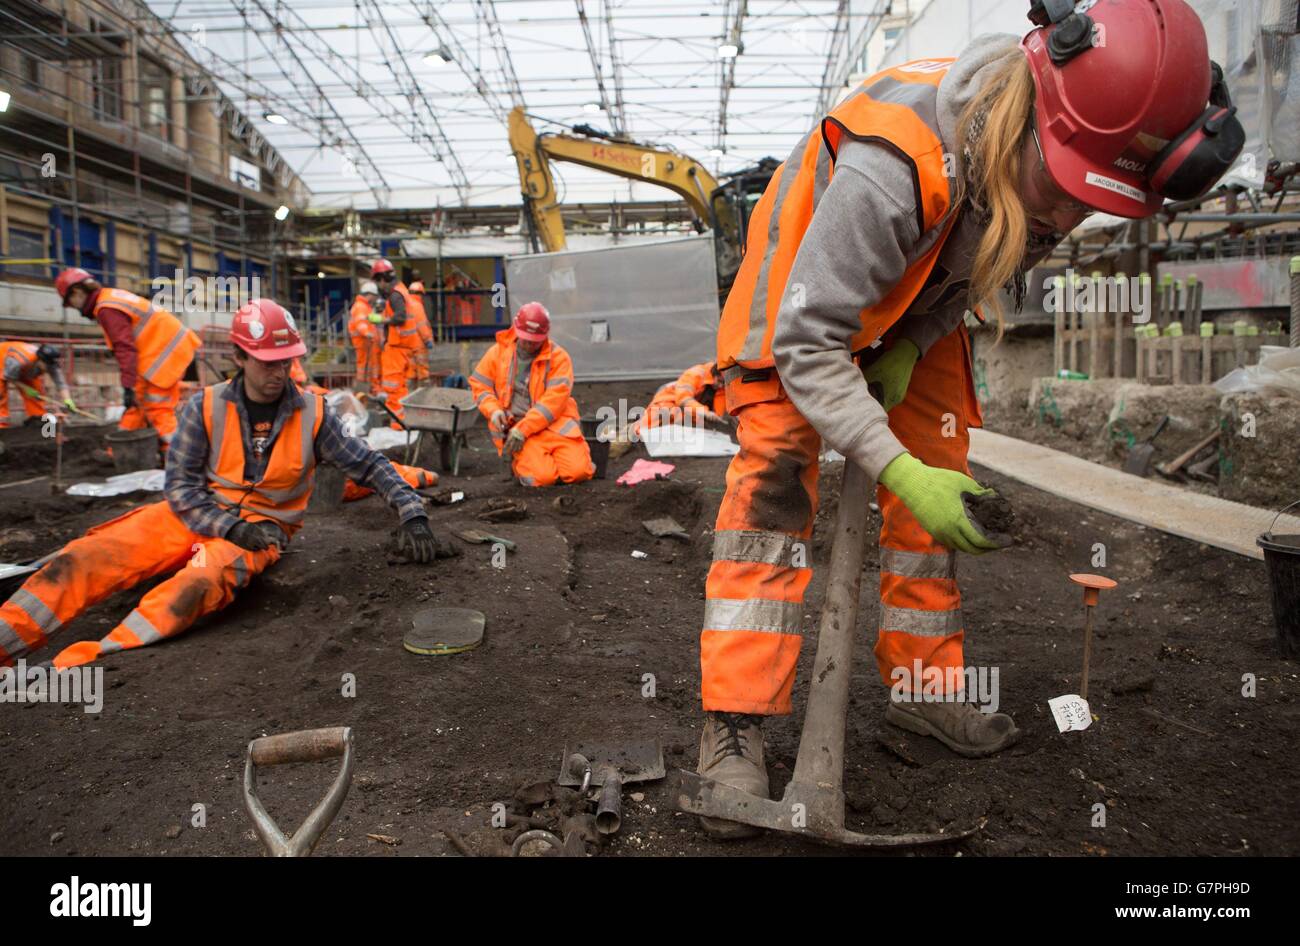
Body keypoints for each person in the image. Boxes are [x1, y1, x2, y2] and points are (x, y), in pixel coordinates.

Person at [694, 0, 1243, 838]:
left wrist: (911, 343)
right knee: (772, 498)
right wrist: (891, 463)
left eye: (1089, 204)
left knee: (934, 482)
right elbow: (812, 343)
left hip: (914, 304)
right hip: (804, 304)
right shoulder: (898, 156)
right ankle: (734, 723)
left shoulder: (1057, 170)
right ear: (1029, 122)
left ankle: (922, 690)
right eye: (1060, 192)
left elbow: (965, 275)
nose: (1066, 218)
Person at [0, 299, 441, 670]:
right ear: (239, 356)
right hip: (194, 514)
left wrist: (413, 515)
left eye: (287, 361)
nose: (280, 372)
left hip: (262, 528)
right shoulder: (203, 408)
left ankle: (80, 660)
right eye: (268, 362)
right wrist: (226, 526)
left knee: (197, 582)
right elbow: (181, 489)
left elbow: (371, 465)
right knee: (84, 556)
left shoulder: (315, 413)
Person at [54, 268, 202, 451]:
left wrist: (127, 385)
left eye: (71, 303)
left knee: (158, 408)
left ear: (76, 292)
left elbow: (124, 347)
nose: (75, 309)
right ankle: (118, 451)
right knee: (137, 405)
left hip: (163, 357)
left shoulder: (106, 308)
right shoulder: (110, 298)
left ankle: (182, 456)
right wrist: (131, 388)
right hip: (163, 354)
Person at [468, 302, 595, 487]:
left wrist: (523, 429)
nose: (529, 343)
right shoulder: (498, 353)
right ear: (516, 329)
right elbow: (479, 384)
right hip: (522, 430)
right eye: (526, 338)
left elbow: (553, 402)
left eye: (535, 340)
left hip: (555, 426)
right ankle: (521, 463)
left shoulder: (559, 358)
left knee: (579, 473)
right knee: (542, 479)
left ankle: (545, 462)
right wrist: (493, 410)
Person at [372, 258, 424, 425]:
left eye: (378, 282)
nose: (379, 287)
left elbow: (400, 317)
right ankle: (404, 420)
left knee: (393, 387)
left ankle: (398, 423)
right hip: (404, 346)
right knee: (401, 387)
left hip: (396, 347)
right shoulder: (400, 290)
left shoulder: (395, 295)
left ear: (381, 279)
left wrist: (381, 319)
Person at [637, 361, 727, 435]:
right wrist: (705, 412)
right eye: (719, 381)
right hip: (669, 398)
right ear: (714, 373)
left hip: (693, 408)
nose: (721, 385)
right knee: (661, 415)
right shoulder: (695, 374)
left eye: (724, 384)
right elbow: (683, 399)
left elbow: (718, 412)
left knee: (689, 425)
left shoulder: (725, 384)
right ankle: (632, 431)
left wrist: (715, 419)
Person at [0, 341, 73, 427]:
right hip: (3, 360)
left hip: (25, 369)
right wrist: (25, 388)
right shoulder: (18, 361)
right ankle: (2, 426)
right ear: (40, 360)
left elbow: (60, 383)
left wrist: (67, 399)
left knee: (36, 394)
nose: (49, 369)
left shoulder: (50, 362)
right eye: (47, 366)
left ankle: (37, 421)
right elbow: (8, 376)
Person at [349, 280, 383, 393]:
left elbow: (370, 319)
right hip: (363, 342)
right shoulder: (360, 306)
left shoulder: (364, 306)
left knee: (367, 367)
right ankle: (362, 390)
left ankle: (367, 390)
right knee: (363, 368)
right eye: (374, 296)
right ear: (370, 294)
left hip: (366, 342)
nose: (375, 299)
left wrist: (384, 318)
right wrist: (368, 334)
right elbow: (360, 323)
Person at [406, 279, 435, 385]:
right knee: (423, 371)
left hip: (408, 343)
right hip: (419, 344)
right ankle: (423, 392)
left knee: (411, 371)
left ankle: (410, 394)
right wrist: (428, 339)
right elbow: (421, 325)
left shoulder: (406, 305)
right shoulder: (417, 305)